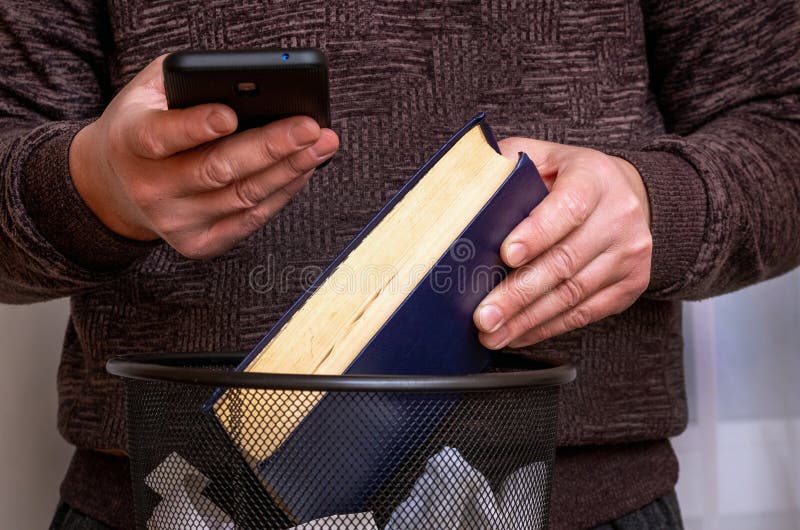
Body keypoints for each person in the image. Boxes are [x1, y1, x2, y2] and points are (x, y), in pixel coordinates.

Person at [1, 1, 798, 529]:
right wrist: (94, 188)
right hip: (179, 503)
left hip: (572, 502)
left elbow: (781, 128)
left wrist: (660, 205)